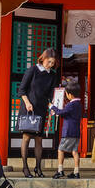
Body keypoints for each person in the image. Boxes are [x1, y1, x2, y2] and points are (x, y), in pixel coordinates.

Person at [16, 48, 58, 178]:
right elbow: (21, 90)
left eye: (52, 63)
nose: (50, 65)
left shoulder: (52, 75)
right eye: (48, 62)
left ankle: (38, 168)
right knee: (27, 137)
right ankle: (25, 168)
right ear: (43, 58)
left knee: (39, 139)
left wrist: (52, 107)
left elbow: (52, 94)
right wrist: (27, 103)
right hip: (28, 107)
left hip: (41, 108)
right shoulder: (32, 70)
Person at [51, 78, 84, 179]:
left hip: (68, 132)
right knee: (74, 151)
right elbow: (67, 114)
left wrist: (52, 107)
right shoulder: (79, 104)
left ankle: (60, 170)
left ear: (70, 94)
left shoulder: (71, 104)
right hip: (76, 132)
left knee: (60, 150)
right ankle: (76, 171)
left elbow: (61, 112)